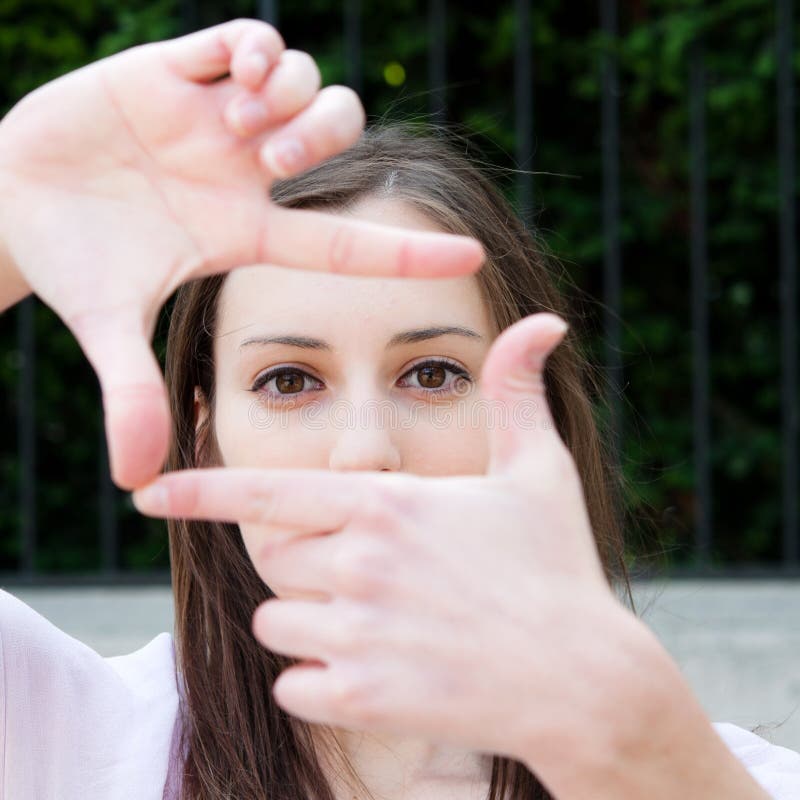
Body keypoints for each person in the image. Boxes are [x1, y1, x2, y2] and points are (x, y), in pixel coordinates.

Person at [0, 17, 798, 800]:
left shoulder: (717, 779)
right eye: (289, 380)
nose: (364, 453)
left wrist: (646, 756)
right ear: (207, 437)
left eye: (433, 374)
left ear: (534, 424)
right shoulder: (72, 740)